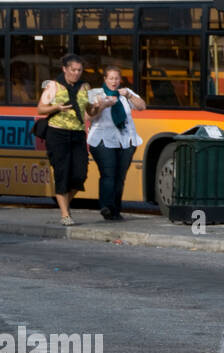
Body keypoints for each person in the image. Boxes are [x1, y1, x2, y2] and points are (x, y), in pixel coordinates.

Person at [36, 54, 92, 225]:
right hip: (57, 134)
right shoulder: (54, 86)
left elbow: (90, 112)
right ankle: (65, 214)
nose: (76, 73)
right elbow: (40, 109)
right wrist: (57, 107)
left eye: (79, 70)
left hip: (78, 134)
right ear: (65, 69)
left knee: (80, 174)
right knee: (62, 173)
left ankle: (65, 205)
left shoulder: (85, 87)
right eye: (73, 70)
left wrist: (98, 107)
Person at [87, 66, 145, 221]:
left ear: (120, 80)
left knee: (120, 177)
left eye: (117, 78)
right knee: (108, 174)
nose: (114, 82)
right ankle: (106, 206)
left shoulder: (125, 93)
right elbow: (89, 116)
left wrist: (129, 96)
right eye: (111, 78)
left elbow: (142, 106)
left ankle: (116, 210)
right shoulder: (96, 93)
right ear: (105, 79)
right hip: (102, 139)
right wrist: (103, 105)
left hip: (126, 140)